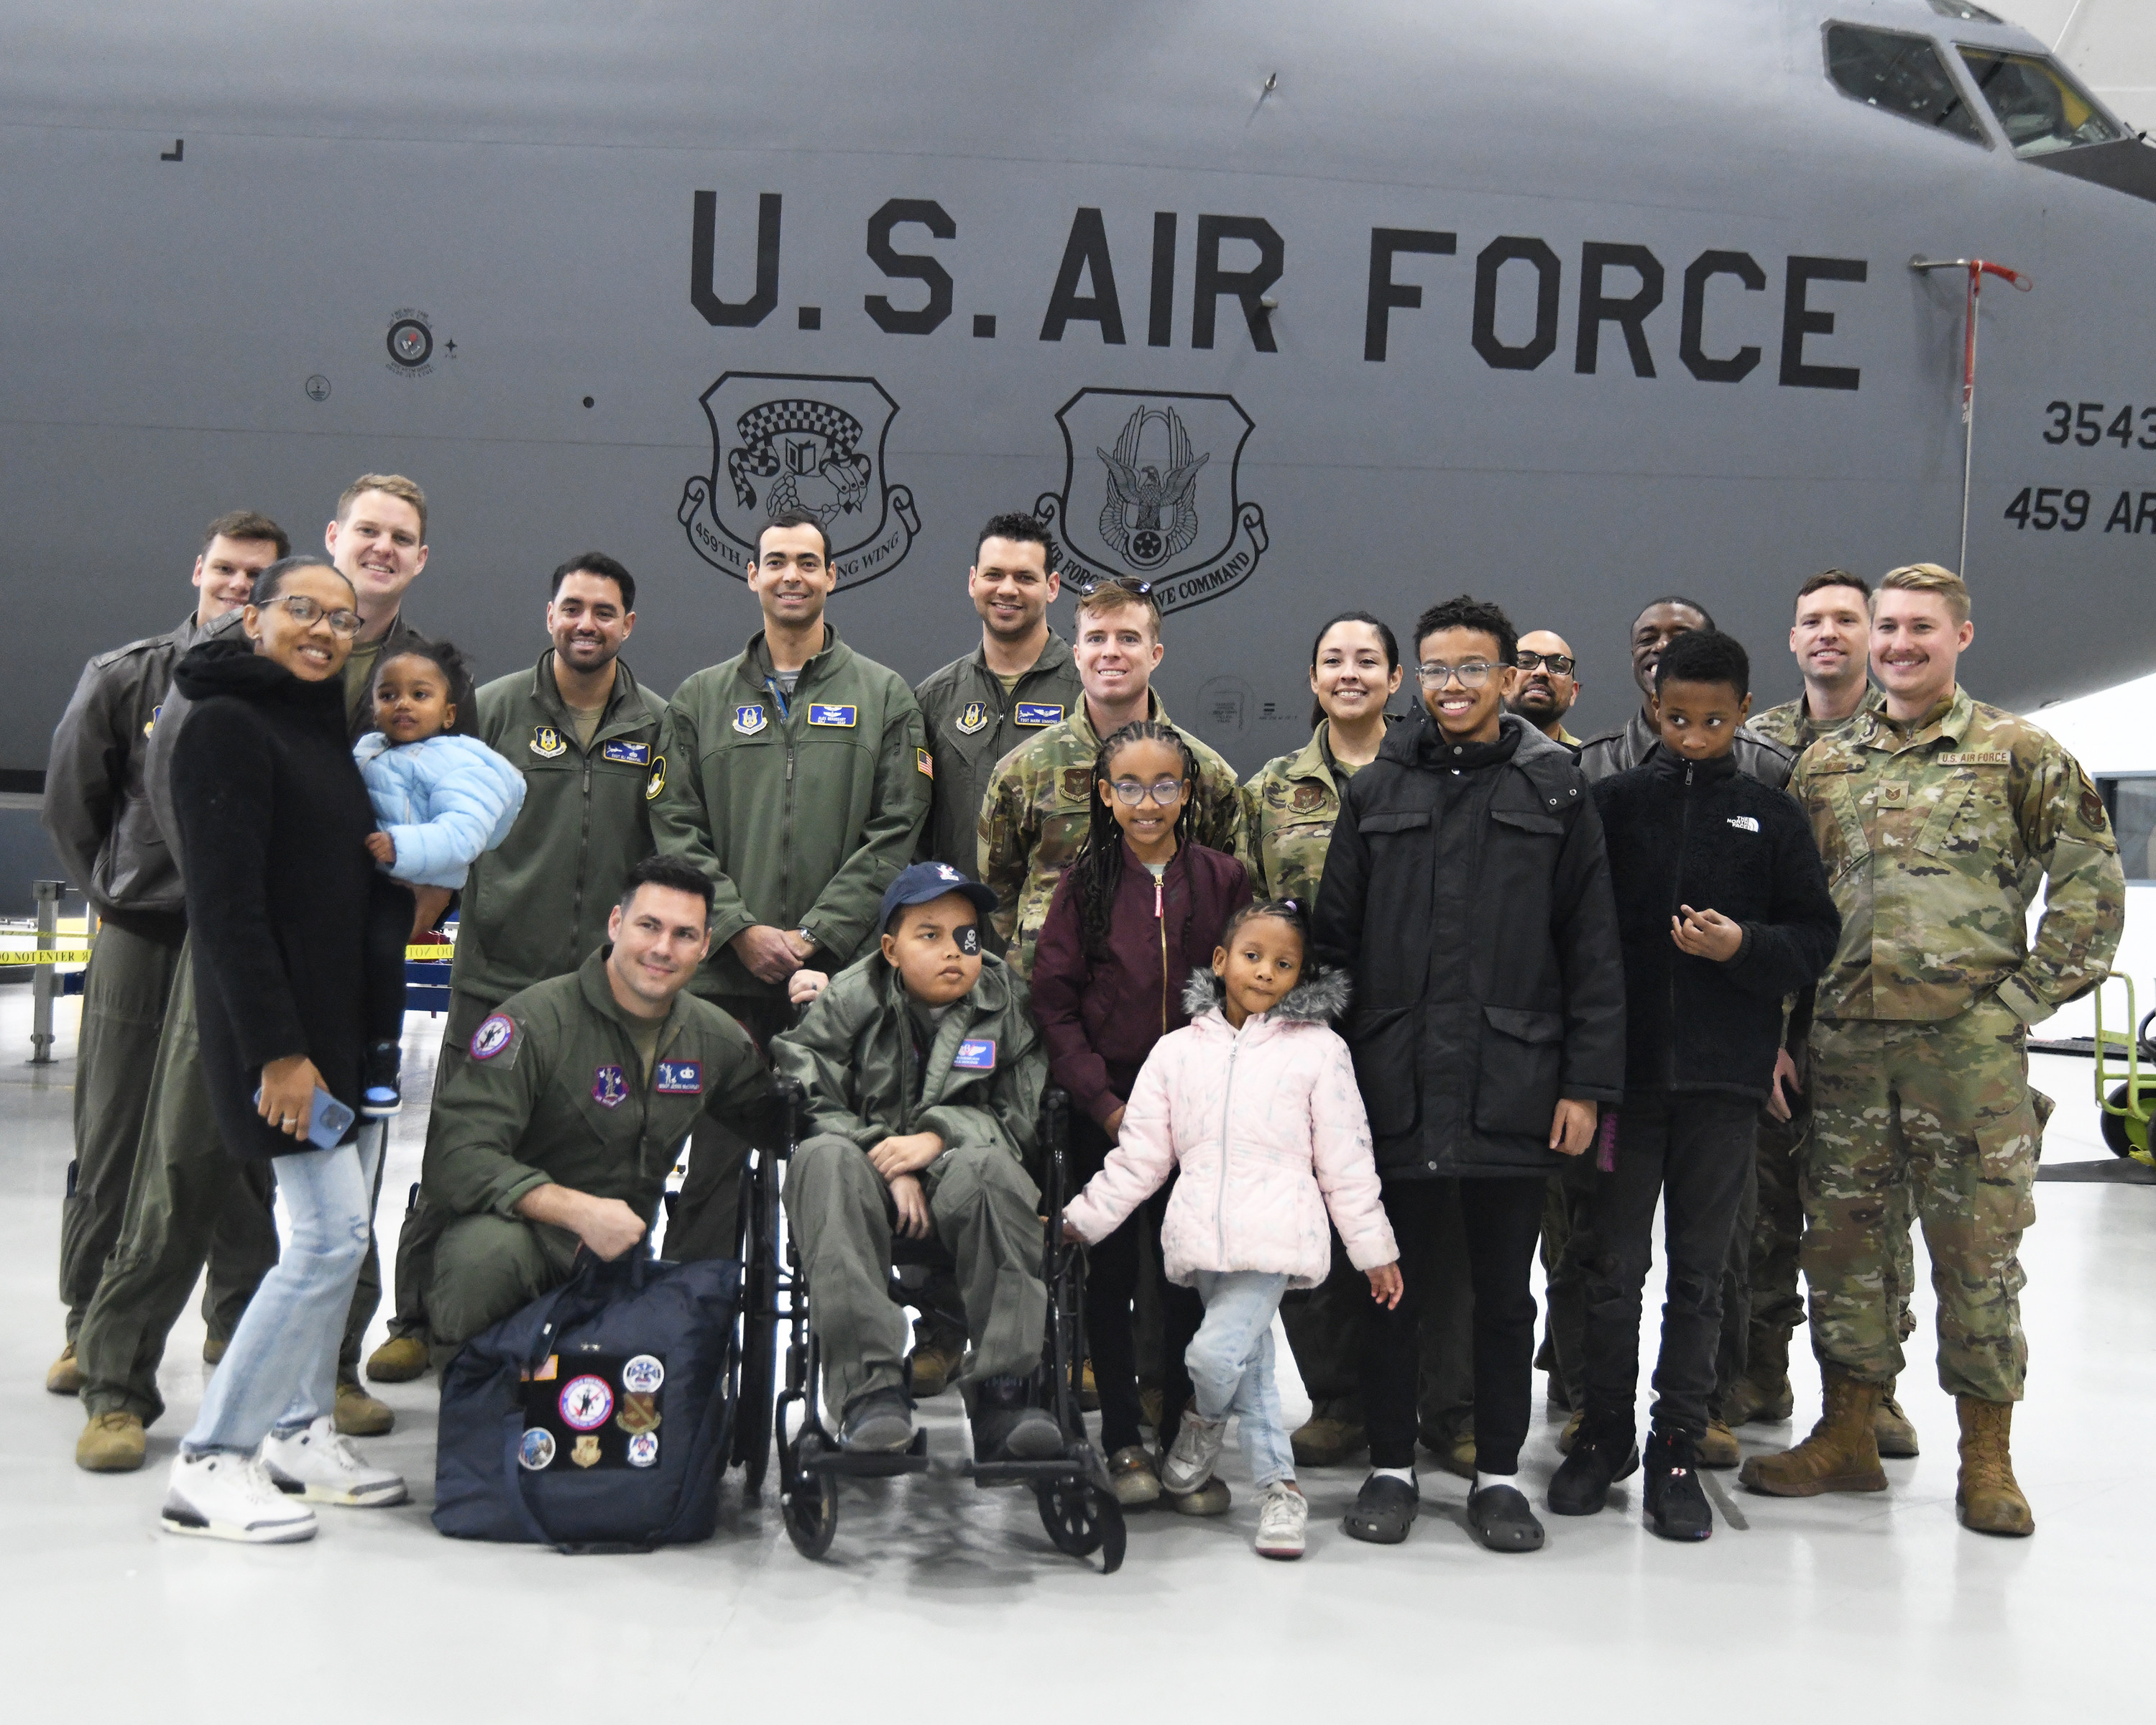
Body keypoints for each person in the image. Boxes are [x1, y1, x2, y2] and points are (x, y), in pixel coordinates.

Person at [1742, 564, 2124, 1538]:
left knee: (1977, 1258)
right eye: (1889, 629)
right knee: (1844, 1250)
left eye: (1921, 627)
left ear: (1961, 636)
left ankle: (1987, 1460)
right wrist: (1782, 1030)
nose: (1900, 644)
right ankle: (1848, 1434)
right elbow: (1793, 908)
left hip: (1968, 1058)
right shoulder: (1825, 765)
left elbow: (2091, 887)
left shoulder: (2018, 752)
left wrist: (2018, 1005)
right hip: (1844, 1051)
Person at [74, 475, 443, 1470]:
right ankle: (117, 1379)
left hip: (342, 974)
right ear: (332, 538)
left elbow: (430, 810)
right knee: (187, 1166)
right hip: (240, 961)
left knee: (332, 1205)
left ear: (418, 560)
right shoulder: (223, 682)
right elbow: (189, 833)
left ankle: (313, 1386)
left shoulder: (408, 673)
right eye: (366, 531)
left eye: (400, 537)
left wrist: (413, 896)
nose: (380, 549)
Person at [1314, 594, 1623, 1555]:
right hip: (1393, 1081)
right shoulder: (1378, 788)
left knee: (1503, 1296)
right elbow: (1334, 946)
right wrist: (1325, 1086)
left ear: (1507, 676)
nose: (1455, 687)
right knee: (1390, 1289)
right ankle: (1390, 1469)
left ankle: (1496, 1476)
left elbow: (1592, 948)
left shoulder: (1556, 788)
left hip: (1513, 1083)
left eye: (1474, 669)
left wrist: (1586, 1085)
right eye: (1439, 670)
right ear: (1419, 678)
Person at [1548, 630, 1839, 1541]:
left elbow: (1815, 938)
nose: (1695, 735)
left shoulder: (1771, 814)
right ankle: (1604, 1433)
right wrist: (1583, 1067)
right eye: (1677, 718)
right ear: (1653, 708)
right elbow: (1574, 936)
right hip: (1624, 1089)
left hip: (1723, 1086)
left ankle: (1678, 1439)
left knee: (1703, 1274)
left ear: (1744, 712)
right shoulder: (1613, 804)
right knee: (1610, 1267)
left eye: (1714, 721)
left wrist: (1742, 946)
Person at [157, 554, 413, 1542]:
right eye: (303, 609)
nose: (324, 630)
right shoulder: (225, 725)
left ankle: (299, 1434)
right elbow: (227, 909)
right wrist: (277, 1053)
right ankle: (211, 1459)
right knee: (328, 1240)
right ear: (254, 617)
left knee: (333, 1240)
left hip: (338, 1035)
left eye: (342, 620)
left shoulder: (315, 729)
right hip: (280, 1044)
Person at [365, 551, 667, 1381]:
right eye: (572, 607)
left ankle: (558, 1317)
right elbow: (435, 829)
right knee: (457, 1148)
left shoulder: (656, 725)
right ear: (550, 615)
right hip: (495, 981)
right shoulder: (490, 711)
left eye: (603, 612)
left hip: (599, 996)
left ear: (628, 625)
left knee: (587, 1158)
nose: (585, 624)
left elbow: (664, 849)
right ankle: (416, 1319)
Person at [1063, 899, 1403, 1560]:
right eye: (1252, 956)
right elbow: (1140, 1158)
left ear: (1300, 976)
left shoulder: (1320, 1051)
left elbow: (1347, 1160)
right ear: (1220, 962)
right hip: (1200, 1240)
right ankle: (1279, 1494)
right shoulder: (1176, 1053)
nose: (1266, 972)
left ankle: (1201, 1423)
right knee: (1254, 1364)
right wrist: (1084, 1218)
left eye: (1284, 964)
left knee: (1212, 1358)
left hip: (1275, 1237)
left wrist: (1374, 1250)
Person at [42, 510, 288, 1398]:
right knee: (113, 1138)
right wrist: (116, 895)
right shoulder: (126, 675)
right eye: (226, 568)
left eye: (257, 576)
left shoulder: (289, 689)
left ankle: (237, 1324)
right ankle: (87, 1323)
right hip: (144, 936)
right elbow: (73, 802)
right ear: (198, 570)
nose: (237, 585)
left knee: (239, 1147)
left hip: (239, 950)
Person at [652, 510, 930, 1266]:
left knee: (840, 1172)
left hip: (838, 984)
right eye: (776, 561)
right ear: (752, 575)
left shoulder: (884, 695)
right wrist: (738, 929)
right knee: (709, 1179)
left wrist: (816, 935)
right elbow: (675, 829)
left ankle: (840, 1325)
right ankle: (691, 1329)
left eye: (808, 562)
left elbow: (897, 830)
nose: (792, 576)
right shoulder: (700, 700)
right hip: (723, 985)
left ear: (832, 576)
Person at [1245, 613, 1476, 1480]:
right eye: (1333, 660)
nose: (1350, 673)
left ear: (1396, 680)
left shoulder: (1435, 773)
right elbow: (1243, 914)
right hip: (1305, 1034)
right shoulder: (1269, 790)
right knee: (1315, 1222)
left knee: (1436, 1227)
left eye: (1368, 661)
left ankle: (1449, 1410)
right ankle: (1340, 1402)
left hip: (1416, 1032)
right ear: (1312, 679)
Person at [419, 857, 773, 1356]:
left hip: (622, 1262)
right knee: (484, 1255)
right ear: (615, 923)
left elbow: (783, 1122)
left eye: (684, 935)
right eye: (649, 926)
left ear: (705, 946)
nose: (663, 948)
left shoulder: (714, 1038)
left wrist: (827, 1020)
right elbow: (457, 1154)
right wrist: (575, 1211)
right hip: (525, 1244)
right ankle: (480, 1381)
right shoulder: (535, 1023)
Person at [769, 862, 1060, 1464]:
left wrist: (937, 1138)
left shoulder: (1007, 1003)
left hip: (964, 1170)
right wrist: (887, 1158)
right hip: (866, 1170)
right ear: (890, 949)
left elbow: (1021, 1117)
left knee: (994, 1172)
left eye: (967, 935)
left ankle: (1005, 1392)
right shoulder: (851, 997)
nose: (954, 950)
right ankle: (870, 1392)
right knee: (822, 1159)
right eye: (930, 935)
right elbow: (806, 1088)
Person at [1030, 720, 1252, 1509]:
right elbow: (1054, 1004)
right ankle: (1123, 1438)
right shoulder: (1082, 884)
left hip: (1200, 1115)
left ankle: (1185, 1443)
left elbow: (1247, 993)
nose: (1147, 802)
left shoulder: (1224, 880)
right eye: (1130, 786)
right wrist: (1104, 1102)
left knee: (1189, 1279)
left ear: (1187, 793)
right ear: (1105, 794)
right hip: (1111, 1114)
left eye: (1164, 786)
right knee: (1114, 1277)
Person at [1720, 570, 1916, 1455]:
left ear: (1873, 635)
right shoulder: (1754, 747)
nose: (1829, 632)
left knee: (1872, 1220)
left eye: (1847, 618)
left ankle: (1874, 1393)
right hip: (1775, 1020)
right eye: (1813, 621)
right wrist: (1763, 1032)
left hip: (1874, 1019)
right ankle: (1760, 1371)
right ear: (1793, 640)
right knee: (1762, 1212)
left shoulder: (1907, 736)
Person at [908, 512, 1082, 1394]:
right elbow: (914, 834)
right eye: (994, 575)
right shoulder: (936, 697)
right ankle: (942, 1327)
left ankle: (1059, 1335)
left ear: (1052, 588)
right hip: (959, 972)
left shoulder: (1089, 685)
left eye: (1025, 576)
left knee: (1055, 1148)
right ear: (971, 583)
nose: (1008, 589)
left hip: (1058, 969)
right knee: (949, 1135)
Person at [979, 577, 1243, 980]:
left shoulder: (1206, 772)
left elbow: (1230, 886)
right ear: (1077, 654)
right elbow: (999, 885)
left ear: (1155, 655)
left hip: (1166, 992)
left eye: (1129, 638)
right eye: (1097, 638)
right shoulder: (1024, 769)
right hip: (1048, 990)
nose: (1111, 651)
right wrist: (1041, 940)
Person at [353, 639, 526, 1113]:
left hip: (402, 886)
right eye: (388, 695)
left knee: (381, 954)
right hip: (358, 882)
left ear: (449, 714)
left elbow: (464, 835)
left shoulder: (460, 762)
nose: (402, 704)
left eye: (419, 695)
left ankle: (383, 1055)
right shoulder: (367, 751)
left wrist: (401, 847)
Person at [1576, 597, 1792, 788]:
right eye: (1647, 639)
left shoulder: (1769, 765)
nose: (1661, 646)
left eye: (1680, 638)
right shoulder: (1590, 762)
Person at [1506, 630, 1583, 747]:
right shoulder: (1476, 753)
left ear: (1573, 693)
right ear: (1504, 681)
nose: (1542, 672)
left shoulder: (1590, 757)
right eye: (1526, 662)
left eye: (1558, 666)